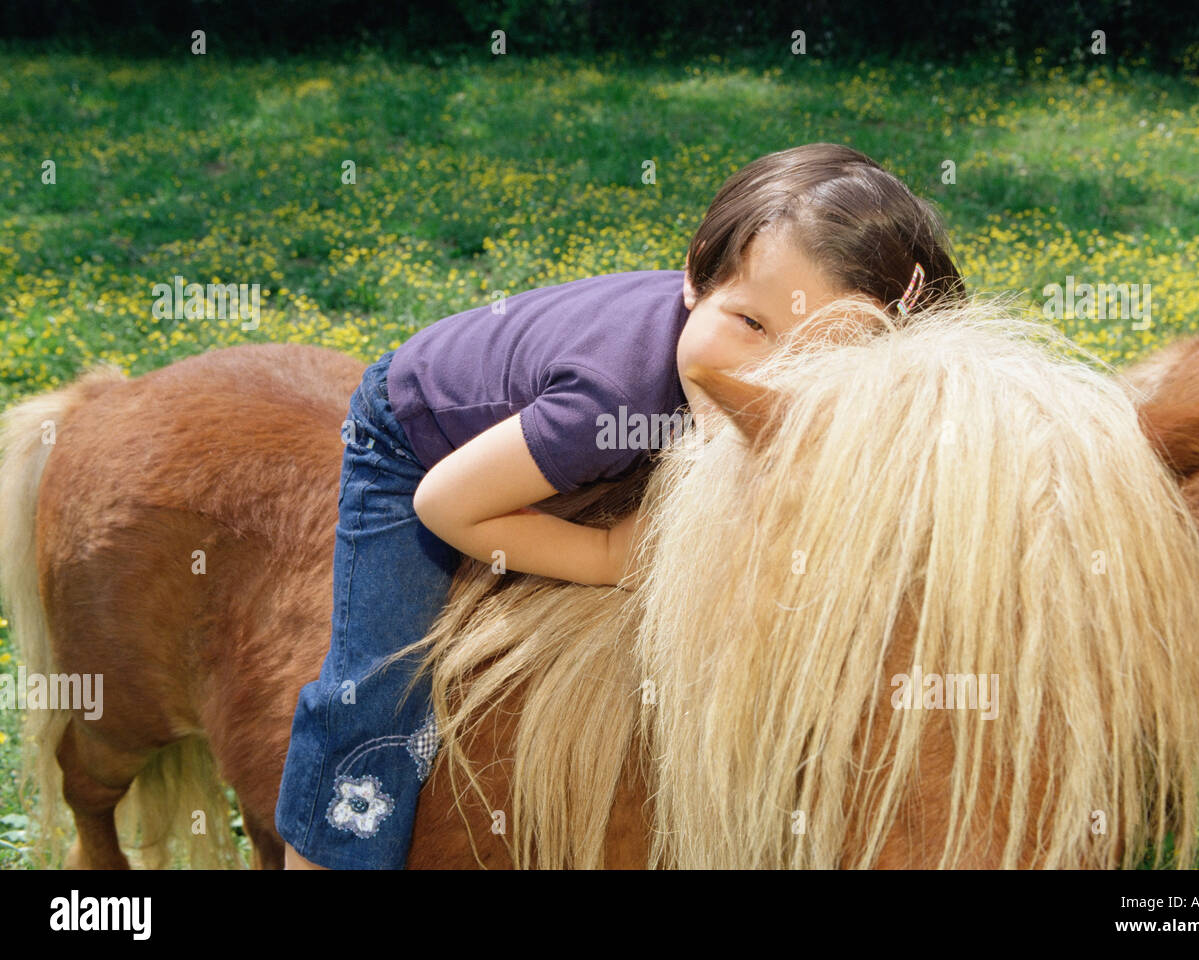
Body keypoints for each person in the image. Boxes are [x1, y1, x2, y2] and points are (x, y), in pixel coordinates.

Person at [275, 141, 966, 869]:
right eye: (751, 325)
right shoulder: (607, 399)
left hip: (609, 426)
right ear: (698, 276)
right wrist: (607, 555)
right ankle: (327, 852)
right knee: (379, 687)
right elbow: (445, 505)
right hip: (416, 447)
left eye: (813, 356)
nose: (768, 377)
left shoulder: (724, 357)